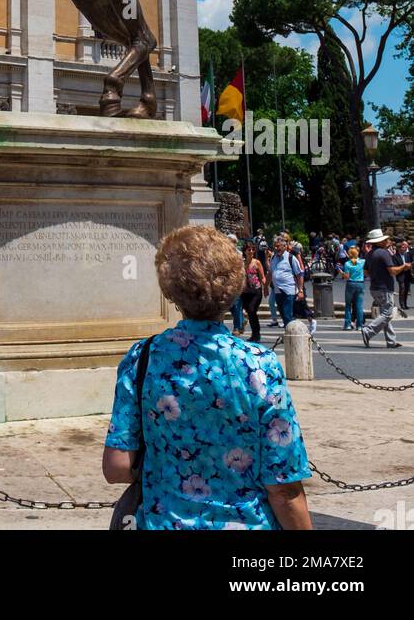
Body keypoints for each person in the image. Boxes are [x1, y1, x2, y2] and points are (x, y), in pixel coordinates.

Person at [102, 225, 312, 530]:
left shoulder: (142, 358)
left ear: (170, 290)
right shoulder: (258, 365)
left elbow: (116, 466)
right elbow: (284, 487)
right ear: (234, 286)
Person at [362, 228, 407, 348]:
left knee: (385, 314)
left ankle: (391, 341)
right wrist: (404, 266)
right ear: (380, 242)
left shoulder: (370, 254)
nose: (387, 240)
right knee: (387, 314)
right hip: (384, 288)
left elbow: (366, 272)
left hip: (374, 287)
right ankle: (368, 330)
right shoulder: (383, 253)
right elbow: (392, 271)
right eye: (385, 239)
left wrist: (376, 273)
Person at [268, 234, 304, 327]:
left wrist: (300, 291)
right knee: (284, 315)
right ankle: (290, 333)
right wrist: (265, 286)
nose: (276, 248)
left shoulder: (291, 258)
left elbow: (299, 275)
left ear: (284, 246)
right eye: (275, 246)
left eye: (278, 246)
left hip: (288, 291)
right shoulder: (273, 257)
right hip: (277, 291)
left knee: (287, 315)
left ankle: (292, 335)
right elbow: (270, 272)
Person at [241, 240, 267, 343]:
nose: (251, 251)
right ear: (245, 251)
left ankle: (257, 334)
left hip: (256, 291)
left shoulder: (257, 262)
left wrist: (265, 288)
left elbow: (262, 277)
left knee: (252, 310)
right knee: (250, 313)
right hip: (245, 292)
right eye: (249, 250)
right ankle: (254, 334)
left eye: (252, 249)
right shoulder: (242, 263)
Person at [341, 245, 365, 331]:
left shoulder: (347, 263)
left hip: (350, 283)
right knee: (359, 305)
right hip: (360, 283)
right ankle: (359, 325)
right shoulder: (362, 262)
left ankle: (347, 324)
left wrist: (342, 274)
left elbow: (346, 277)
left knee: (348, 305)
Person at [395, 238, 412, 318]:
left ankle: (405, 304)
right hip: (400, 274)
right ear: (399, 249)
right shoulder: (395, 256)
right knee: (402, 288)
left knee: (406, 290)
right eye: (402, 248)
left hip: (407, 274)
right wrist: (403, 267)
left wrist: (409, 266)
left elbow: (411, 262)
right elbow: (395, 266)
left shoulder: (408, 254)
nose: (404, 249)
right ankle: (402, 305)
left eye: (405, 248)